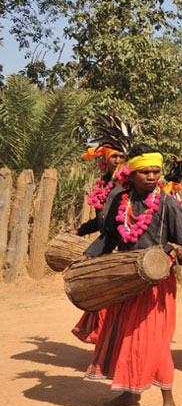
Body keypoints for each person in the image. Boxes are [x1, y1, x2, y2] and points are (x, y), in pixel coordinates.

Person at [80, 144, 182, 406]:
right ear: (131, 175)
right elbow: (108, 238)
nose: (153, 176)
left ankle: (169, 403)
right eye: (145, 171)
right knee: (124, 338)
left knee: (155, 344)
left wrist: (180, 252)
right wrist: (87, 258)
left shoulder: (168, 204)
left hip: (155, 286)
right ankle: (128, 393)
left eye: (156, 171)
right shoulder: (121, 201)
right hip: (125, 281)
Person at [69, 145, 127, 344]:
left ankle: (111, 344)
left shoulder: (128, 185)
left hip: (120, 249)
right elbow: (101, 220)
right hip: (105, 245)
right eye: (114, 156)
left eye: (121, 156)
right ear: (105, 160)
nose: (117, 160)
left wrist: (90, 253)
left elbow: (116, 226)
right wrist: (81, 230)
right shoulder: (103, 184)